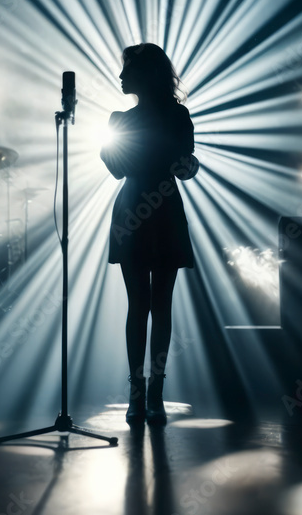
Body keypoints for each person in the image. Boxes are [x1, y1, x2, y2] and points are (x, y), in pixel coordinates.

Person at [100, 43, 197, 425]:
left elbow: (178, 165)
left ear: (145, 75)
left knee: (148, 305)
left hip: (143, 209)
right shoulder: (168, 116)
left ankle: (145, 391)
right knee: (149, 305)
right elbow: (176, 165)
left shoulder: (158, 117)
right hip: (153, 209)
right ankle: (146, 391)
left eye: (128, 70)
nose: (121, 76)